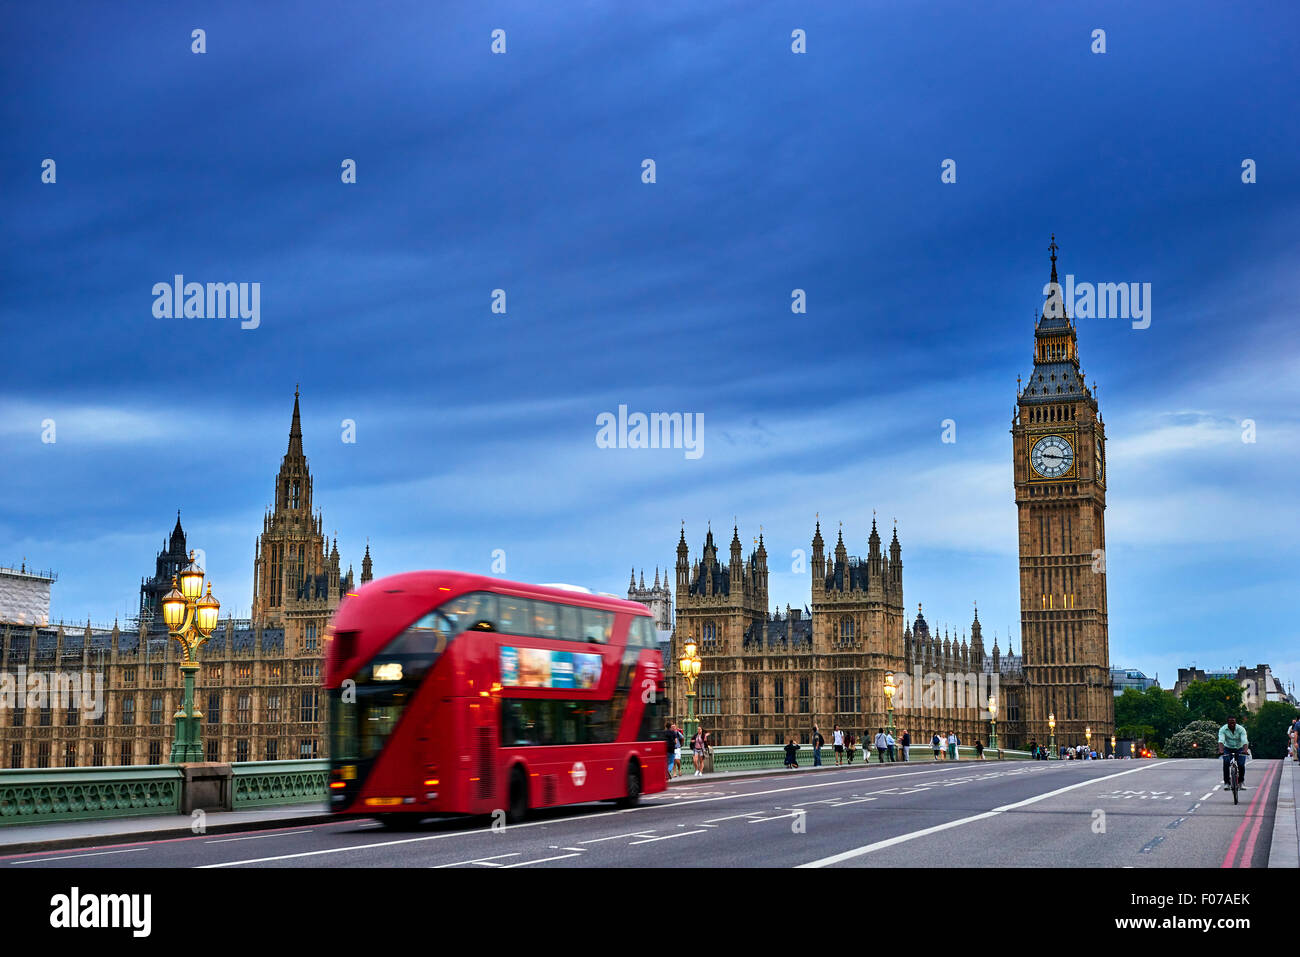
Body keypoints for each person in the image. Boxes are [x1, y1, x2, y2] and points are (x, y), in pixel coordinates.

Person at [1218, 716, 1250, 790]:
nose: (1232, 724)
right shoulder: (1223, 729)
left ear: (1236, 723)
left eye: (1233, 723)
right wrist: (1221, 750)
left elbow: (1244, 741)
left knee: (1241, 765)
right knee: (1226, 763)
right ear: (1227, 723)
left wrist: (1245, 750)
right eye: (1230, 723)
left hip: (1240, 748)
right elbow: (1221, 740)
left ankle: (1241, 782)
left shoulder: (1241, 729)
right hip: (1227, 748)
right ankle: (1227, 783)